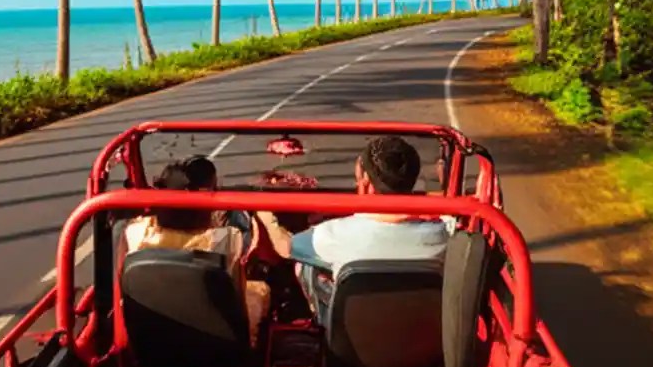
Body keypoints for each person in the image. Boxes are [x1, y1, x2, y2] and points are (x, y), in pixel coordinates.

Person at [256, 136, 451, 323]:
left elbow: (285, 247)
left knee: (307, 266)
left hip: (350, 347)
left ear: (366, 182)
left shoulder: (334, 235)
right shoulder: (444, 235)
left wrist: (266, 215)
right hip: (423, 340)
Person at [118, 157, 269, 345]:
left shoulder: (135, 232)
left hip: (151, 345)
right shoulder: (226, 239)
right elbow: (236, 294)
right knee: (261, 290)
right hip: (216, 349)